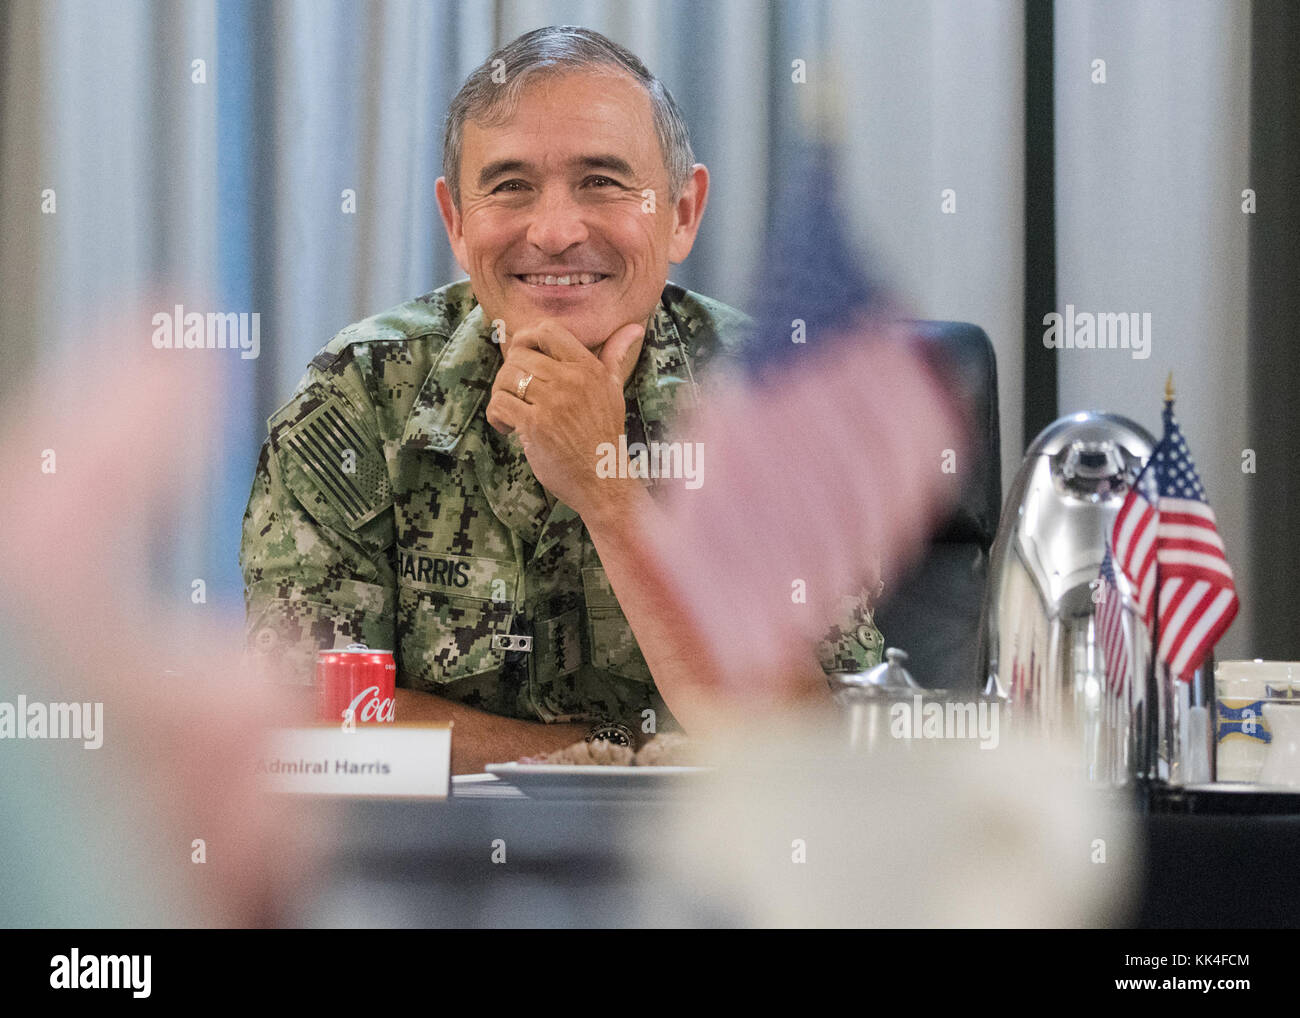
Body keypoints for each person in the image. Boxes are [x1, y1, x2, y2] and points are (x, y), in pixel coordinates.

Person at [239, 26, 886, 771]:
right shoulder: (357, 395)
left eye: (602, 182)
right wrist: (615, 757)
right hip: (431, 875)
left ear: (681, 212)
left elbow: (814, 753)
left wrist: (610, 496)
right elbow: (312, 717)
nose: (553, 232)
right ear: (455, 221)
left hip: (713, 880)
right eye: (510, 186)